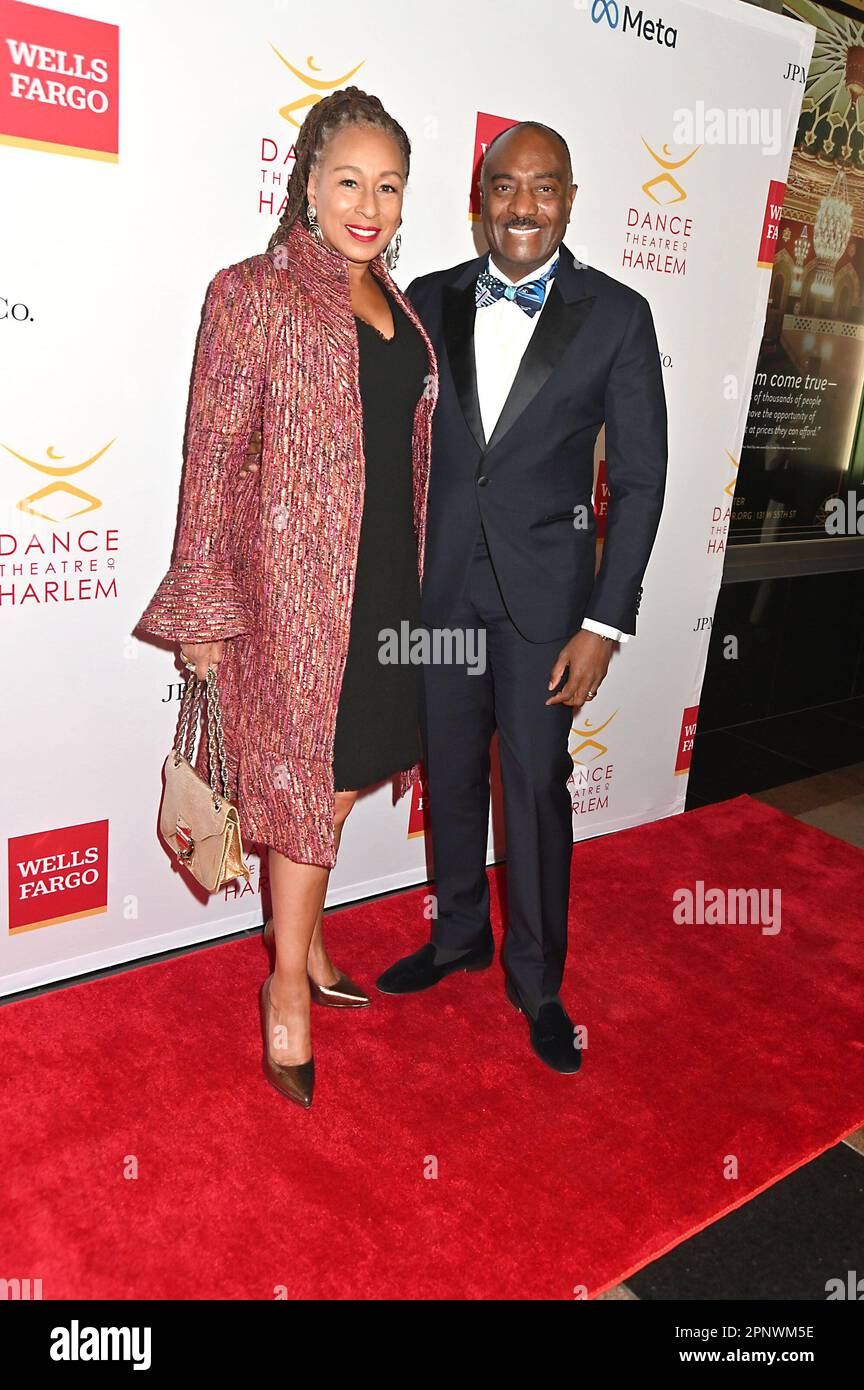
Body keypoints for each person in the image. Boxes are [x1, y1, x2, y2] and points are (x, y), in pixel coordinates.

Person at [135, 88, 437, 1109]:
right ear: (307, 181)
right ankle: (286, 986)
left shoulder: (400, 310)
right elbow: (211, 459)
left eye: (387, 185)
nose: (368, 203)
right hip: (292, 599)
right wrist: (206, 610)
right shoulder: (249, 293)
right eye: (348, 179)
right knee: (308, 783)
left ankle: (294, 936)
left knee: (348, 774)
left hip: (389, 584)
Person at [375, 122, 668, 1074]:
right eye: (505, 187)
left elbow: (642, 480)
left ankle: (538, 981)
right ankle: (459, 934)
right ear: (479, 197)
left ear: (571, 199)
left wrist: (603, 622)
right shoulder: (427, 299)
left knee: (534, 789)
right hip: (440, 593)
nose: (524, 207)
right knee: (451, 772)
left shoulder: (618, 315)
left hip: (547, 605)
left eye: (544, 188)